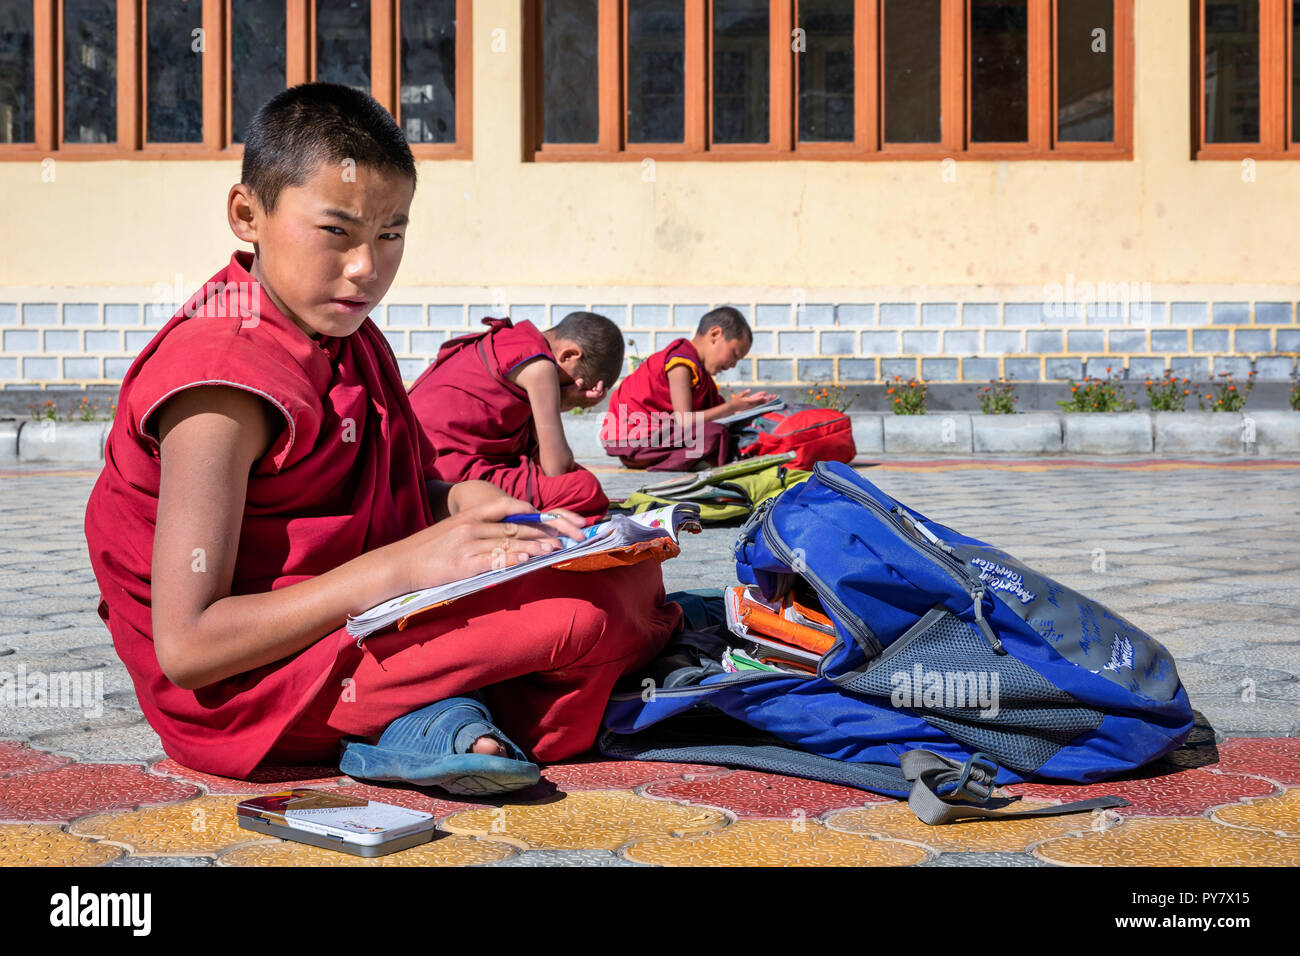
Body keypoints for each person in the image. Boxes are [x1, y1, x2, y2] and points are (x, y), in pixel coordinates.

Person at [82, 83, 681, 794]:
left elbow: (382, 499)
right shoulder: (220, 384)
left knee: (619, 566)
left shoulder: (345, 337)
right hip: (259, 686)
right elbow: (190, 648)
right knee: (581, 619)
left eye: (390, 235)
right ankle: (422, 714)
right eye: (336, 232)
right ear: (247, 214)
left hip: (355, 613)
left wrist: (460, 502)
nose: (366, 266)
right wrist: (405, 566)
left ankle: (430, 709)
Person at [407, 311, 620, 519]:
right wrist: (567, 399)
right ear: (569, 355)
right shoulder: (540, 366)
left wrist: (561, 398)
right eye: (579, 384)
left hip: (413, 469)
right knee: (584, 488)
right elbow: (557, 468)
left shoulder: (512, 340)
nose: (577, 392)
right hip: (446, 478)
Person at [601, 307, 776, 471]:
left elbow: (715, 414)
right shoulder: (680, 362)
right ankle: (692, 465)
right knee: (714, 434)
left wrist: (751, 408)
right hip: (636, 441)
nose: (733, 365)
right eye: (734, 354)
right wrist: (731, 407)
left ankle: (699, 461)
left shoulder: (700, 373)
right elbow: (684, 420)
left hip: (659, 440)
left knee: (722, 433)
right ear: (715, 334)